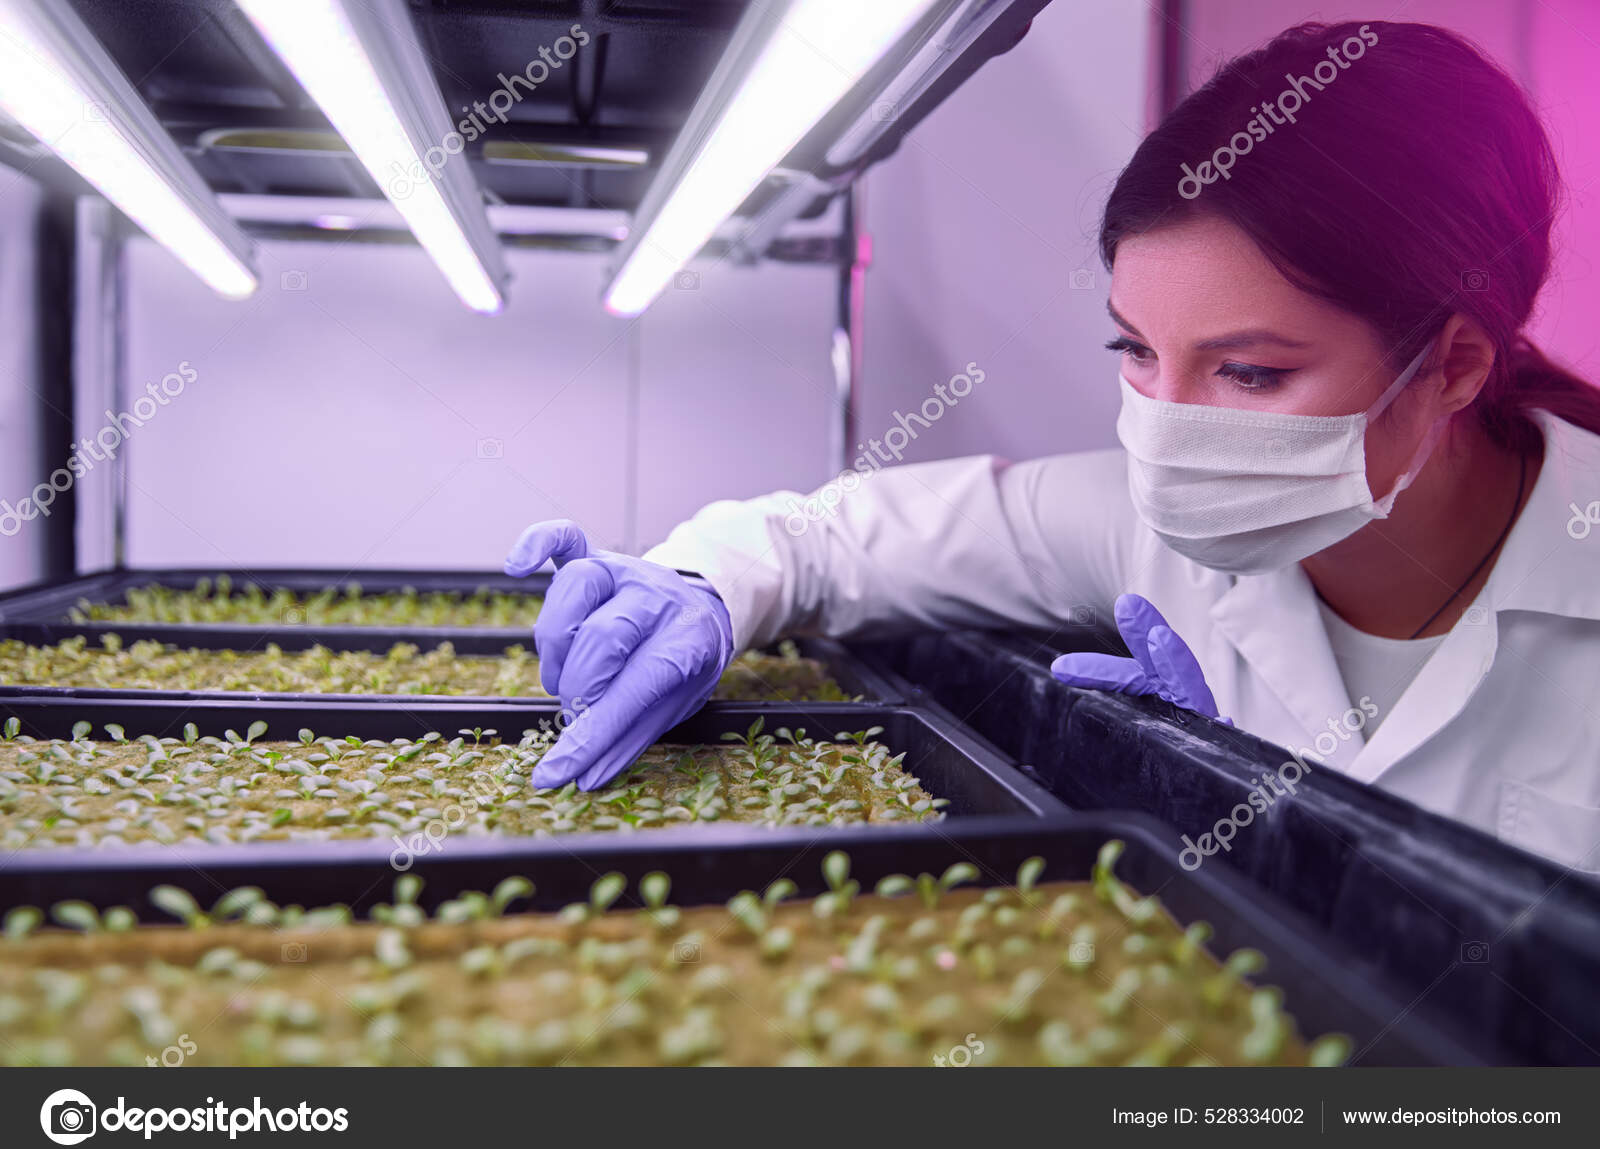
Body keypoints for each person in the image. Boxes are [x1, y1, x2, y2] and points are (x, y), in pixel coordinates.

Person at [505, 21, 1600, 873]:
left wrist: (1272, 821)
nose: (1167, 429)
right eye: (1134, 350)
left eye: (1251, 372)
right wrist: (694, 589)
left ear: (1452, 367)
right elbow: (819, 542)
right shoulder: (1139, 525)